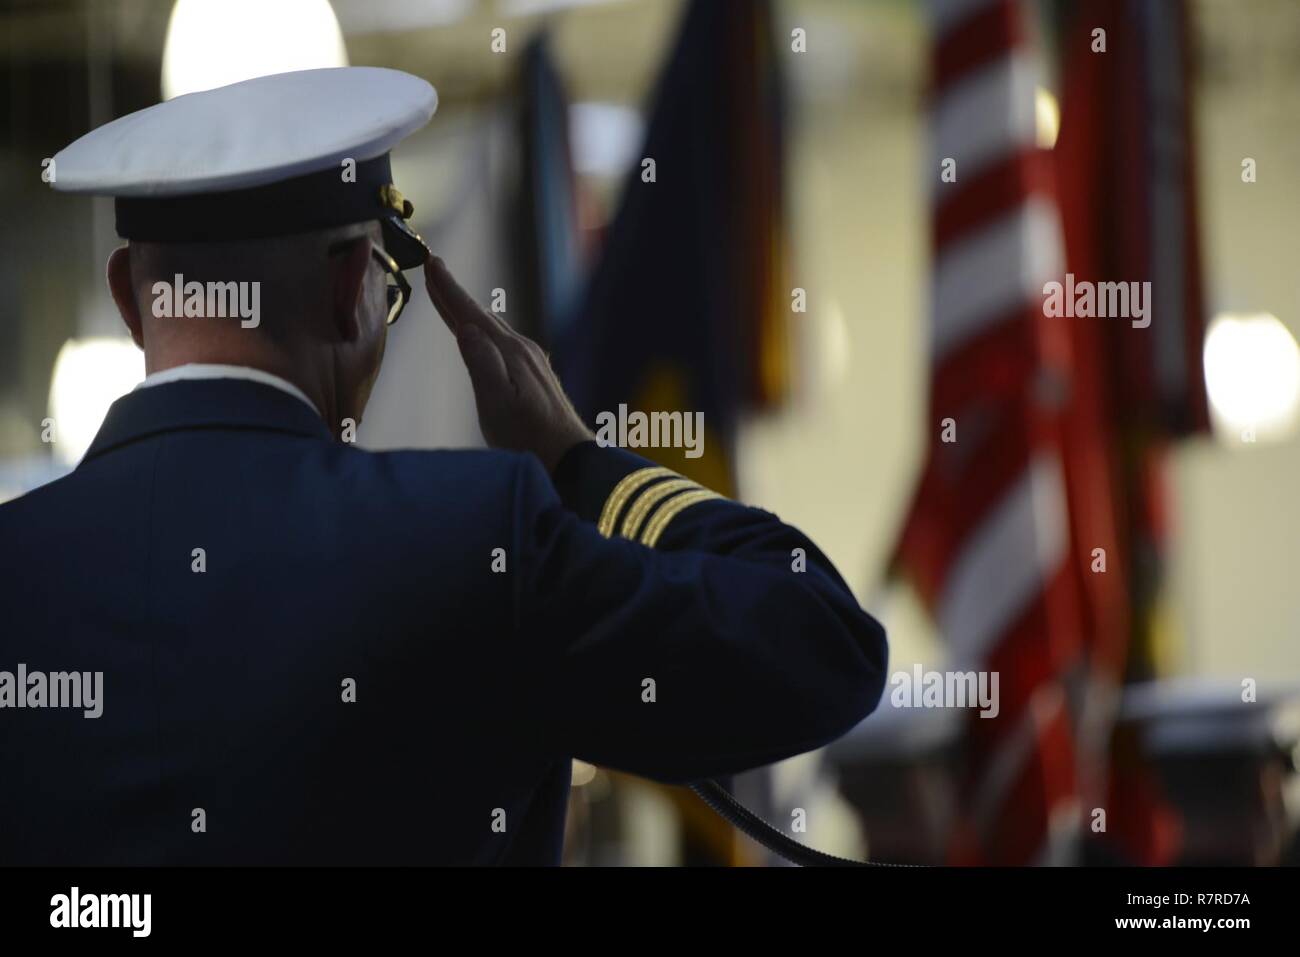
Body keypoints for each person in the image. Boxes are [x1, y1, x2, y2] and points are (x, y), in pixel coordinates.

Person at [0, 67, 886, 865]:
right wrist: (582, 464)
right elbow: (821, 644)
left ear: (126, 294)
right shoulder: (467, 538)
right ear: (354, 290)